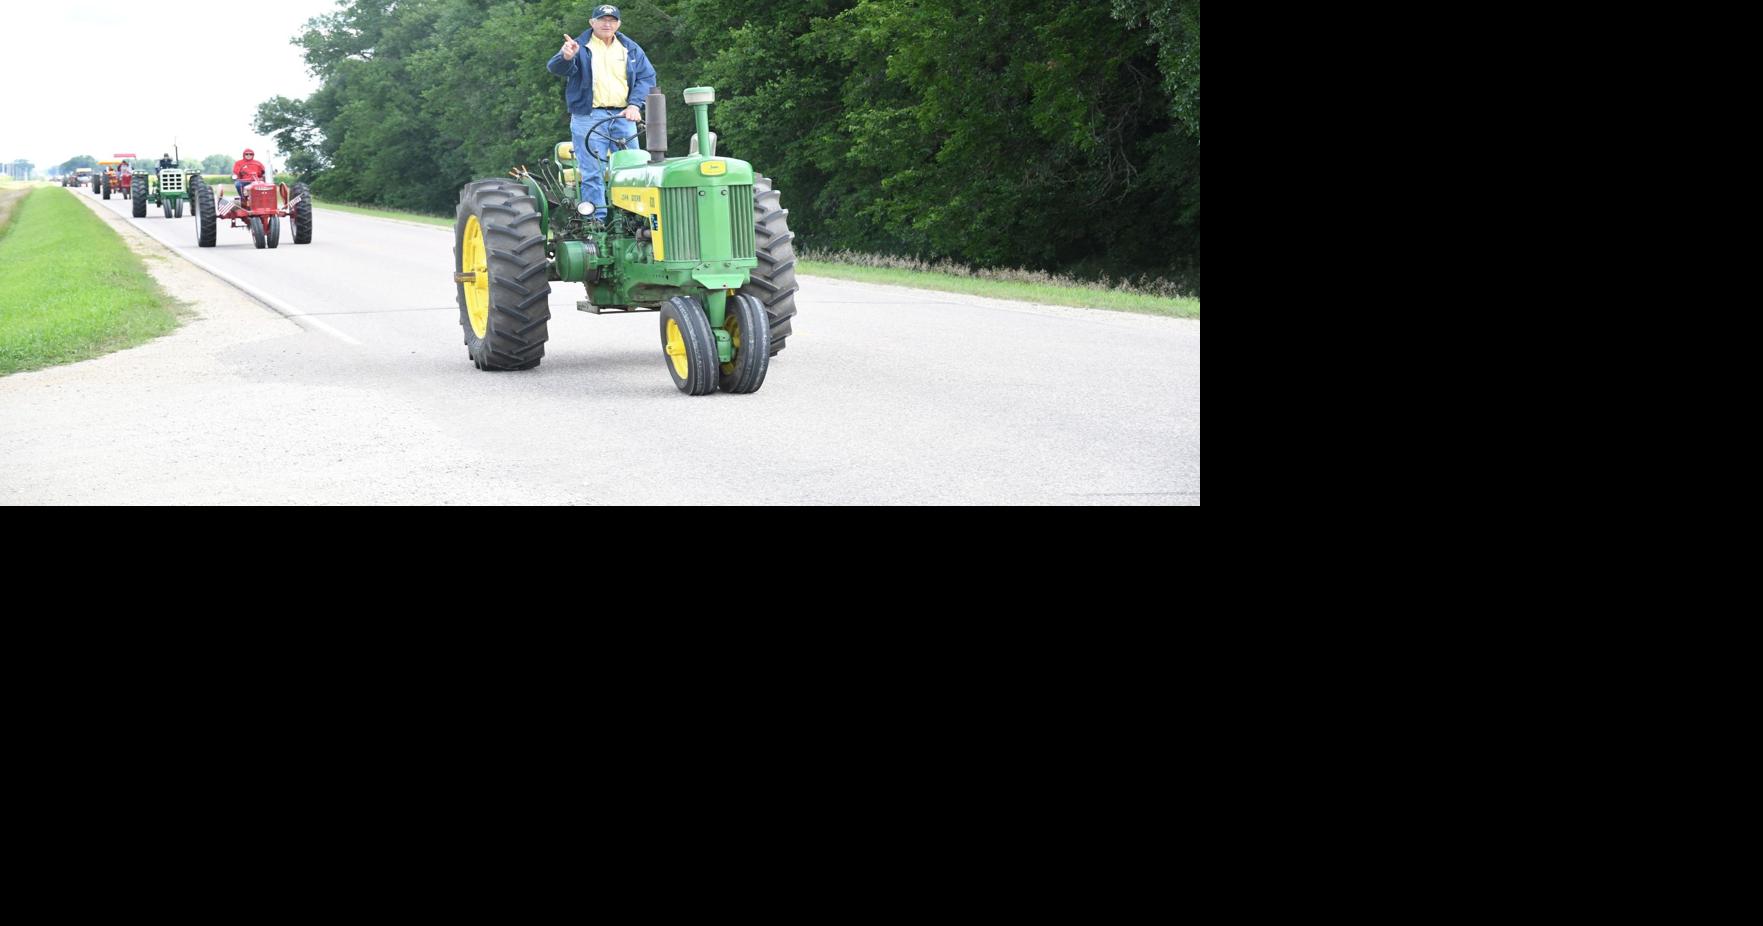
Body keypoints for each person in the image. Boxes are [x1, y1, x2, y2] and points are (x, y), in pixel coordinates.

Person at [546, 5, 656, 218]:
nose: (607, 24)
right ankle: (595, 224)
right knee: (592, 173)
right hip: (588, 117)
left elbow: (647, 78)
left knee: (634, 171)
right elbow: (555, 67)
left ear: (618, 24)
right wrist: (565, 57)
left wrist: (635, 105)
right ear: (592, 22)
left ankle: (635, 221)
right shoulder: (578, 46)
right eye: (602, 19)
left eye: (612, 20)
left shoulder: (630, 48)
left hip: (624, 116)